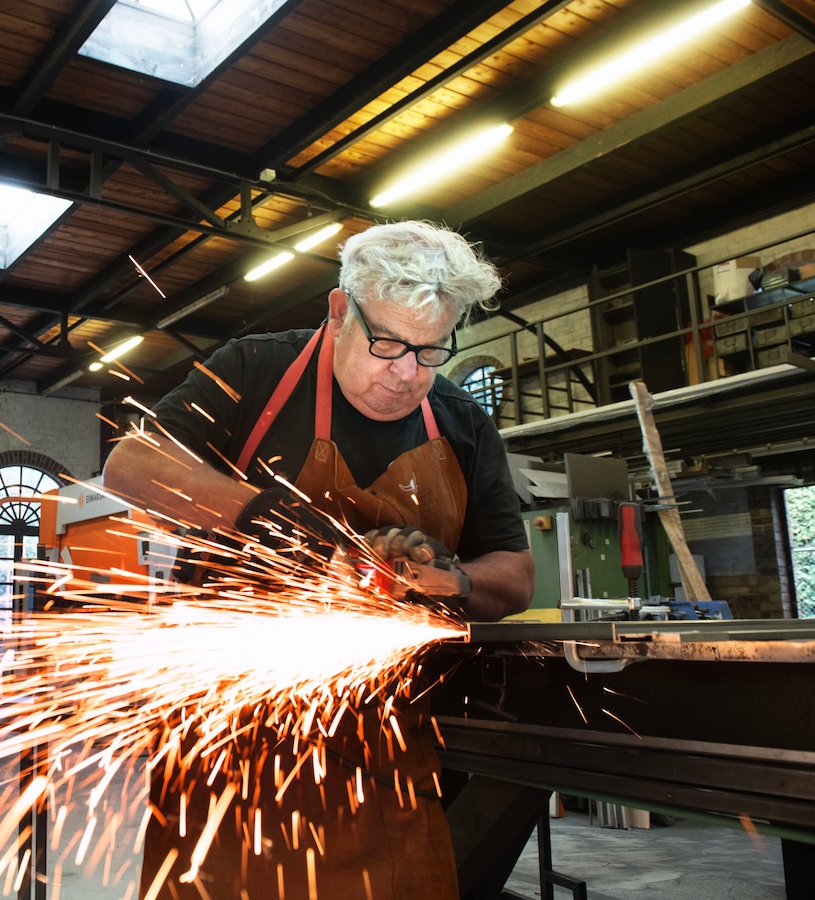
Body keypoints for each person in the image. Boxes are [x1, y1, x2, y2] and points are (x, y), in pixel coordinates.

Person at [103, 220, 534, 899]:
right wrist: (272, 519)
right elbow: (131, 466)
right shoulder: (256, 370)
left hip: (387, 754)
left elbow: (515, 572)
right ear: (340, 311)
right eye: (387, 343)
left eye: (430, 351)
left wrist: (446, 579)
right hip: (228, 749)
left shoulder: (462, 422)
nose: (407, 373)